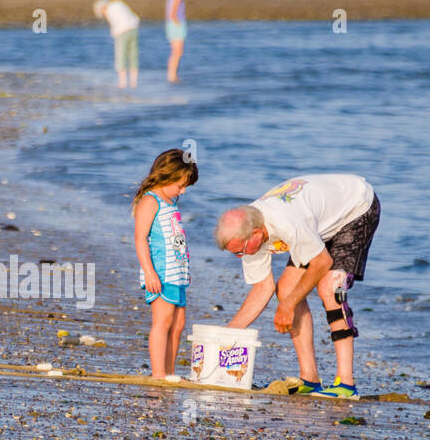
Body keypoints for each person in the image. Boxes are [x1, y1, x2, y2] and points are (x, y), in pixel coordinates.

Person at [213, 174, 381, 399]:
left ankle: (346, 384)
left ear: (257, 233)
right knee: (286, 290)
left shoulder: (286, 221)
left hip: (356, 207)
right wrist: (227, 336)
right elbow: (263, 288)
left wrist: (288, 305)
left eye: (240, 251)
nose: (240, 256)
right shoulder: (246, 232)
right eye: (235, 253)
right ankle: (310, 379)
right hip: (319, 223)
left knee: (331, 287)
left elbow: (322, 262)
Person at [134, 149, 198, 379]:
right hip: (160, 272)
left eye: (185, 187)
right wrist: (149, 272)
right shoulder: (150, 201)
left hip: (176, 272)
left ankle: (169, 371)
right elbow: (140, 238)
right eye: (180, 185)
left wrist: (184, 269)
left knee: (178, 323)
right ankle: (159, 373)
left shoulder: (169, 202)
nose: (182, 191)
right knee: (163, 321)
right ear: (165, 176)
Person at [93, 0, 140, 89]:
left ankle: (122, 83)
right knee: (133, 56)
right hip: (134, 29)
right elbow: (134, 17)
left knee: (121, 56)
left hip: (122, 32)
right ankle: (134, 83)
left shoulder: (109, 10)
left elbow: (115, 26)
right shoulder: (119, 4)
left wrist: (114, 34)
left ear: (102, 8)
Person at [165, 0, 188, 83]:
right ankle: (172, 75)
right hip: (176, 26)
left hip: (171, 25)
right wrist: (178, 24)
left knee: (176, 52)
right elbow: (173, 14)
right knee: (177, 52)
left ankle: (172, 74)